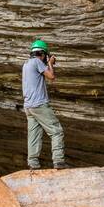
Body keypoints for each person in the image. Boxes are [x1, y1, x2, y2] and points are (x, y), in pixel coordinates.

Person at [22, 39, 67, 169]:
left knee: (34, 135)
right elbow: (51, 76)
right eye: (45, 55)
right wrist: (50, 63)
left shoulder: (26, 64)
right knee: (56, 131)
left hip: (29, 106)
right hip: (39, 105)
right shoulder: (37, 62)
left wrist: (46, 63)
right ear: (42, 54)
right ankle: (58, 161)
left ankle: (33, 163)